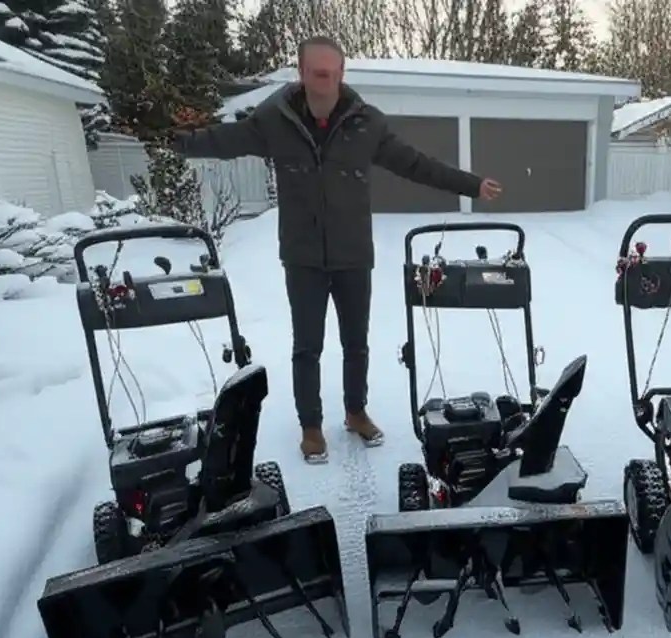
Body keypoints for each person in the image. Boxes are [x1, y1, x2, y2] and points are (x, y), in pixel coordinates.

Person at [172, 36, 503, 464]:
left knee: (356, 343)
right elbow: (226, 140)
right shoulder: (276, 121)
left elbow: (417, 164)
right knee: (307, 346)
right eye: (316, 73)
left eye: (331, 73)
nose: (324, 81)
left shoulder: (366, 125)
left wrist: (471, 184)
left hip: (352, 256)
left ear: (342, 74)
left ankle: (356, 412)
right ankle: (310, 426)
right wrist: (177, 141)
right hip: (302, 257)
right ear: (302, 72)